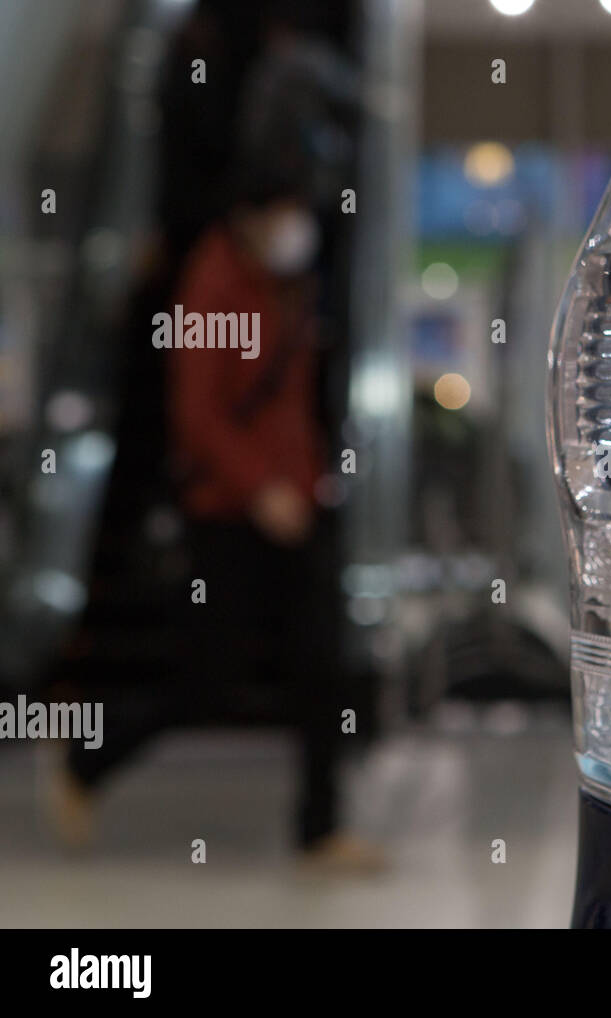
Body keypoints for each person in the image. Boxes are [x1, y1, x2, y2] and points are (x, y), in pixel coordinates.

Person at [54, 178, 384, 874]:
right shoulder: (214, 281)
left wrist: (305, 481)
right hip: (229, 516)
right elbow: (197, 415)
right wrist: (260, 488)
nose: (297, 227)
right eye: (285, 213)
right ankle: (87, 759)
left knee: (322, 666)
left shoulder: (288, 283)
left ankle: (319, 829)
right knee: (204, 677)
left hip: (298, 506)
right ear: (250, 216)